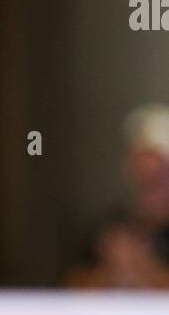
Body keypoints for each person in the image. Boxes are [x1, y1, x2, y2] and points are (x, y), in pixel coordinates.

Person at [66, 104, 169, 288]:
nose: (150, 168)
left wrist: (143, 271)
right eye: (142, 157)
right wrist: (111, 272)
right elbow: (70, 291)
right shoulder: (108, 228)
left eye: (160, 163)